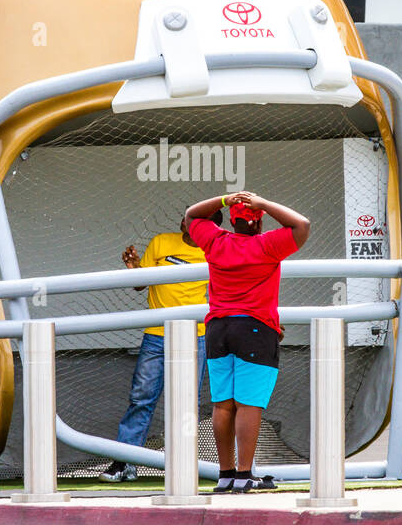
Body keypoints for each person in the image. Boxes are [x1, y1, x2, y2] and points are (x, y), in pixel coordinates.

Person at [185, 191, 309, 492]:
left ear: (232, 220)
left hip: (217, 330)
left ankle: (225, 474)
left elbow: (192, 215)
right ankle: (243, 476)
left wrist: (226, 198)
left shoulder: (216, 241)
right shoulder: (268, 245)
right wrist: (265, 202)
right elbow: (301, 225)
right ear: (259, 223)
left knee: (223, 405)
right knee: (248, 404)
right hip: (255, 330)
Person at [98, 213, 218, 482]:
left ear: (210, 227)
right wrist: (133, 267)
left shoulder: (216, 250)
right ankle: (124, 463)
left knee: (187, 403)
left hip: (194, 336)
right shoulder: (161, 242)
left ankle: (183, 465)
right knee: (141, 398)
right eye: (188, 218)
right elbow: (141, 283)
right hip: (157, 335)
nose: (188, 223)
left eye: (197, 220)